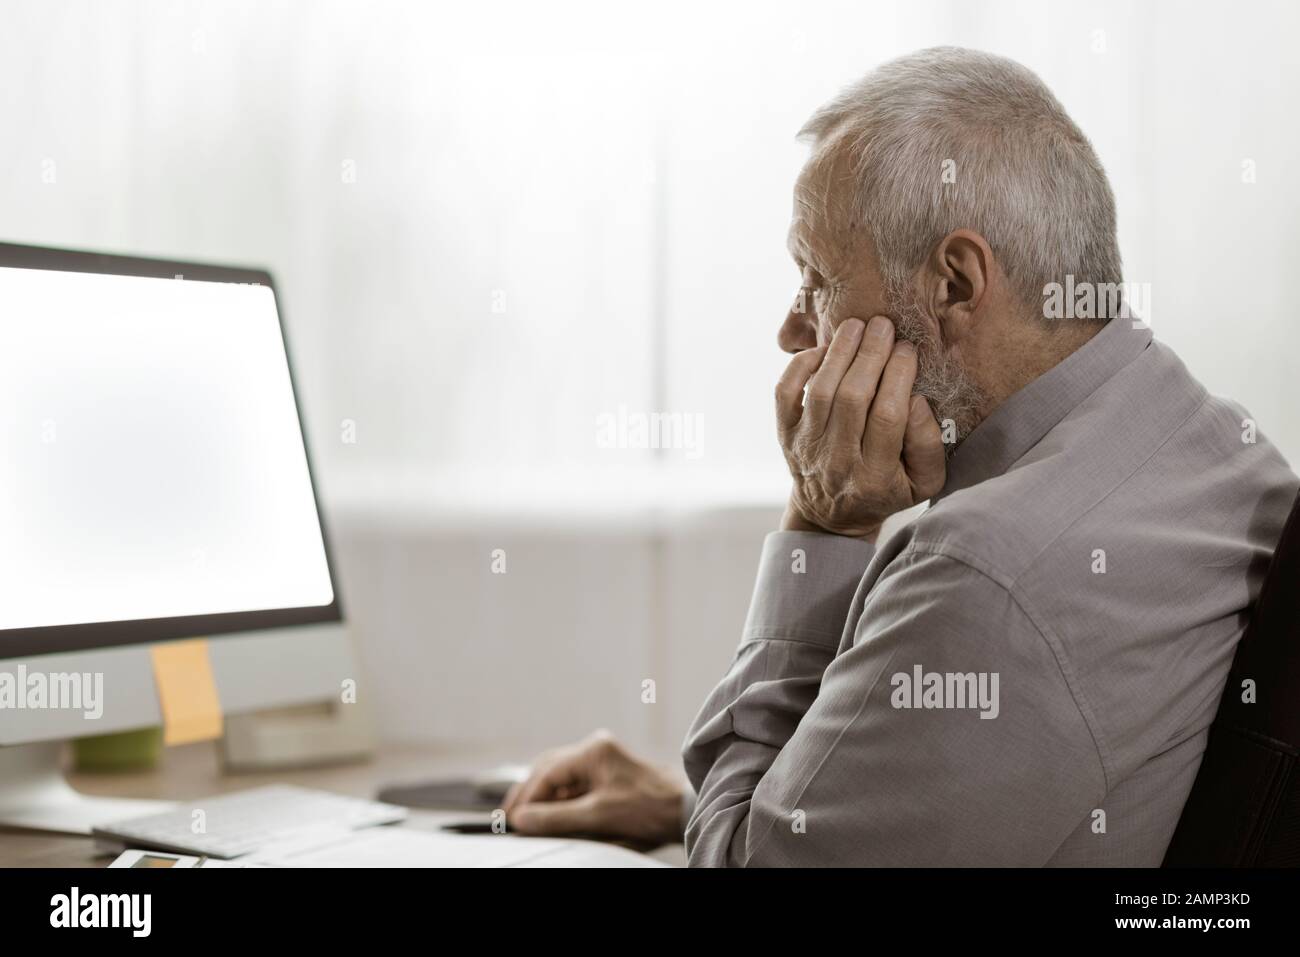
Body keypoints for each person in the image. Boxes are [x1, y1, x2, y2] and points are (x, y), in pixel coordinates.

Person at [504, 47, 1298, 865]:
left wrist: (820, 526)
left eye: (813, 276)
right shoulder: (1213, 446)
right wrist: (686, 802)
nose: (791, 329)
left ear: (954, 283)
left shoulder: (988, 574)